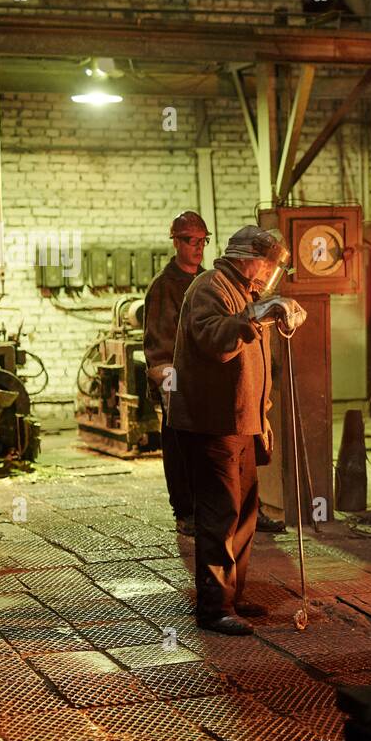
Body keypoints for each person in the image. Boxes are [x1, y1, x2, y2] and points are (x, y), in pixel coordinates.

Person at [167, 225, 306, 635]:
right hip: (213, 424)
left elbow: (257, 369)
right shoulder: (210, 288)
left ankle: (233, 596)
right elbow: (215, 341)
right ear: (248, 258)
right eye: (268, 265)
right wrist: (254, 316)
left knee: (244, 512)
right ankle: (213, 609)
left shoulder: (247, 293)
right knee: (219, 514)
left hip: (242, 423)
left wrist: (261, 419)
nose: (269, 275)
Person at [144, 211, 208, 536]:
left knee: (206, 452)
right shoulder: (162, 288)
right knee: (180, 451)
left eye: (201, 241)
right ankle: (185, 513)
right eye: (190, 241)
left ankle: (207, 508)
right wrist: (171, 394)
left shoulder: (208, 281)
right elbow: (157, 345)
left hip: (204, 385)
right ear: (175, 242)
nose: (197, 248)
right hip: (177, 384)